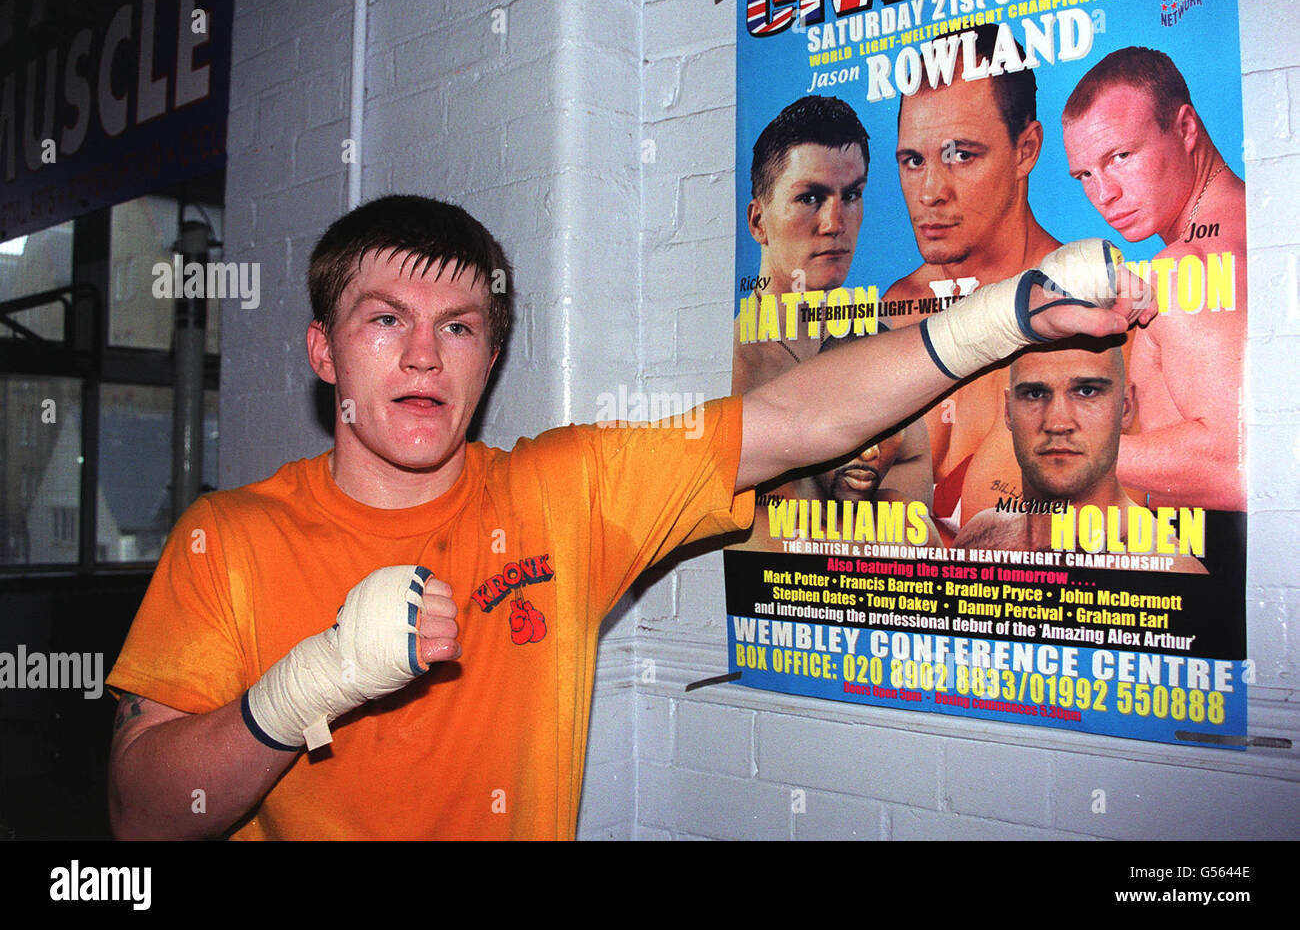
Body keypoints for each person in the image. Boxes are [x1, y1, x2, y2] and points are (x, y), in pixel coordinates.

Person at [106, 194, 1148, 840]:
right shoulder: (228, 536)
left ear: (491, 354)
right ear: (324, 352)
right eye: (385, 321)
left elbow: (791, 418)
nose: (424, 354)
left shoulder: (564, 490)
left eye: (459, 326)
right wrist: (313, 679)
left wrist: (1006, 314)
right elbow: (140, 814)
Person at [880, 24, 1064, 540]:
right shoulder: (902, 304)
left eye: (961, 154)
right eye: (913, 160)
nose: (930, 192)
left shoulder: (1081, 307)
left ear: (1025, 150)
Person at [733, 96, 932, 540]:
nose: (834, 222)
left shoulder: (883, 358)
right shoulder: (734, 370)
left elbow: (911, 541)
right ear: (758, 221)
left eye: (852, 195)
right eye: (809, 198)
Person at [1062, 46, 1246, 511]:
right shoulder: (1260, 218)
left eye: (1121, 156)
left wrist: (1060, 453)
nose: (1105, 194)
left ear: (1185, 128)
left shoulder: (1188, 266)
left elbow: (1239, 466)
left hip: (1219, 565)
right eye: (1085, 173)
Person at [954, 339, 1206, 574]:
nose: (1057, 423)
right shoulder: (983, 531)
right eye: (1035, 394)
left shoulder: (1166, 566)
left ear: (1125, 408)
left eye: (1086, 391)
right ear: (1008, 411)